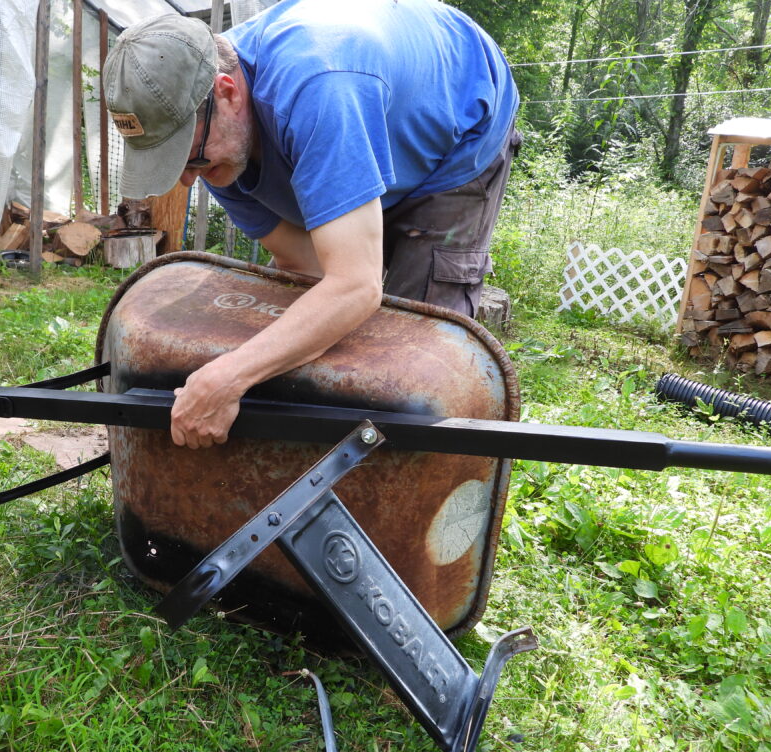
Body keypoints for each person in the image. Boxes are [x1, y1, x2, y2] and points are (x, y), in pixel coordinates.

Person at [102, 0, 520, 449]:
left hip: (455, 134)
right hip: (347, 117)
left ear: (227, 92)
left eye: (191, 158)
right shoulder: (217, 142)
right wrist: (262, 370)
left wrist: (229, 377)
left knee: (413, 368)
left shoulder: (320, 89)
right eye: (174, 163)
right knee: (312, 338)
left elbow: (353, 287)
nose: (188, 179)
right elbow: (304, 267)